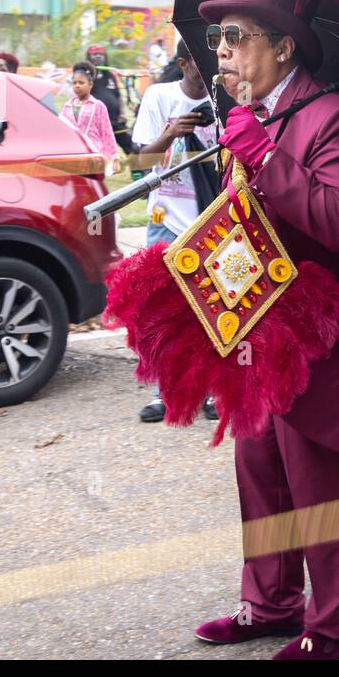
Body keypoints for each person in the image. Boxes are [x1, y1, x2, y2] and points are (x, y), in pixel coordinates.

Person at [191, 0, 339, 659]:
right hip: (257, 331)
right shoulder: (246, 116)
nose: (222, 51)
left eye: (236, 37)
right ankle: (272, 603)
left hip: (321, 339)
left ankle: (336, 618)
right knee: (260, 471)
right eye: (219, 39)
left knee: (317, 477)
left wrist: (262, 155)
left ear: (282, 48)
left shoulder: (337, 118)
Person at [130, 39, 217, 423]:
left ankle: (216, 389)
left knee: (215, 307)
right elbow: (139, 161)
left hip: (212, 221)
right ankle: (165, 392)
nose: (209, 67)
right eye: (200, 60)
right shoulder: (159, 97)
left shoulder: (226, 99)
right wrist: (172, 132)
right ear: (183, 62)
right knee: (163, 311)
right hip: (165, 220)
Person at [61, 61, 119, 175]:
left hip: (94, 156)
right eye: (75, 83)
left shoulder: (98, 106)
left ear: (91, 84)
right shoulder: (67, 106)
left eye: (81, 82)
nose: (77, 85)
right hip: (73, 156)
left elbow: (107, 132)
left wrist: (114, 158)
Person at [86, 44, 134, 156]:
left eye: (101, 55)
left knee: (130, 145)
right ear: (89, 57)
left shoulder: (110, 76)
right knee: (97, 151)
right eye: (95, 54)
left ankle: (138, 171)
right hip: (96, 123)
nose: (98, 57)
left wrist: (122, 113)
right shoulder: (86, 77)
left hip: (115, 121)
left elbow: (118, 96)